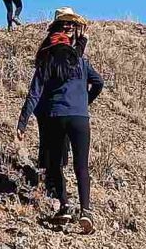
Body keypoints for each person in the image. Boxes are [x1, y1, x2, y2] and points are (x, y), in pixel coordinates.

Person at [18, 12, 106, 233]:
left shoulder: (46, 62)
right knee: (81, 165)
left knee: (56, 165)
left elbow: (34, 94)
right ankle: (86, 211)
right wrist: (85, 101)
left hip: (55, 117)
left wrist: (22, 123)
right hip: (80, 117)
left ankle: (65, 206)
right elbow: (99, 82)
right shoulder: (81, 62)